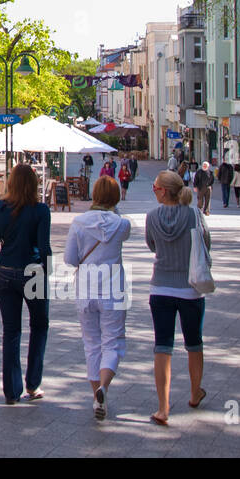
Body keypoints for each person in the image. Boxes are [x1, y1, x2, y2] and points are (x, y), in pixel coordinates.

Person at [0, 163, 52, 404]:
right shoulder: (40, 210)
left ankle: (11, 391)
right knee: (39, 326)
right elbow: (44, 248)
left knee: (11, 331)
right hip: (33, 273)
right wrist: (48, 272)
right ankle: (33, 384)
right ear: (33, 184)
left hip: (5, 274)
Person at [64, 176, 132, 421]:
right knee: (112, 342)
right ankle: (104, 387)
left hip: (86, 289)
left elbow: (70, 259)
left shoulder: (79, 222)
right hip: (113, 289)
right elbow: (124, 229)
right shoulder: (122, 224)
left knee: (91, 344)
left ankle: (97, 398)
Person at [146, 169, 210, 426]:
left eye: (154, 187)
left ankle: (163, 407)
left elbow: (152, 245)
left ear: (164, 191)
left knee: (163, 346)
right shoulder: (194, 214)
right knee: (194, 343)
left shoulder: (151, 217)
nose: (153, 191)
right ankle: (195, 392)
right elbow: (207, 242)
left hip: (160, 288)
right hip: (190, 288)